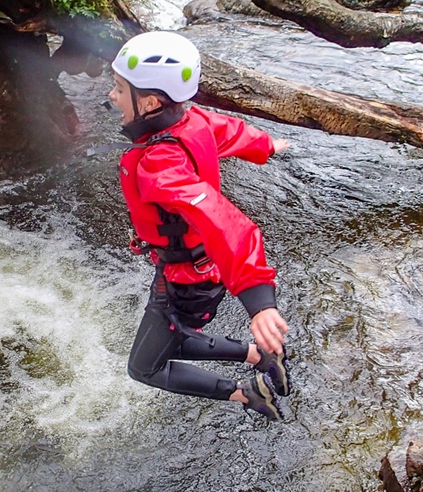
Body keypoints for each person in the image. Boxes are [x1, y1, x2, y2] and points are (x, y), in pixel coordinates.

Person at [108, 31, 292, 421]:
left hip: (188, 281)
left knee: (146, 366)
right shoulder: (191, 121)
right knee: (166, 337)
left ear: (151, 102)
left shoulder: (161, 164)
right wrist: (264, 145)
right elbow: (229, 130)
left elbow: (225, 223)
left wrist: (258, 303)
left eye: (119, 89)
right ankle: (260, 356)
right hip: (197, 269)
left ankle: (248, 393)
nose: (111, 96)